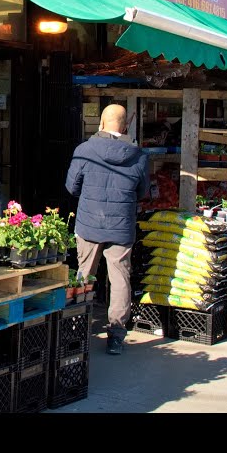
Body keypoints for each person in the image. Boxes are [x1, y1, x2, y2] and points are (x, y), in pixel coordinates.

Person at [65, 104, 150, 355]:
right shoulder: (139, 156)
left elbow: (72, 187)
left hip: (89, 223)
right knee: (120, 278)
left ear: (101, 124)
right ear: (124, 127)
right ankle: (116, 335)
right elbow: (142, 192)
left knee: (84, 273)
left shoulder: (84, 150)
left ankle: (75, 327)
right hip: (121, 225)